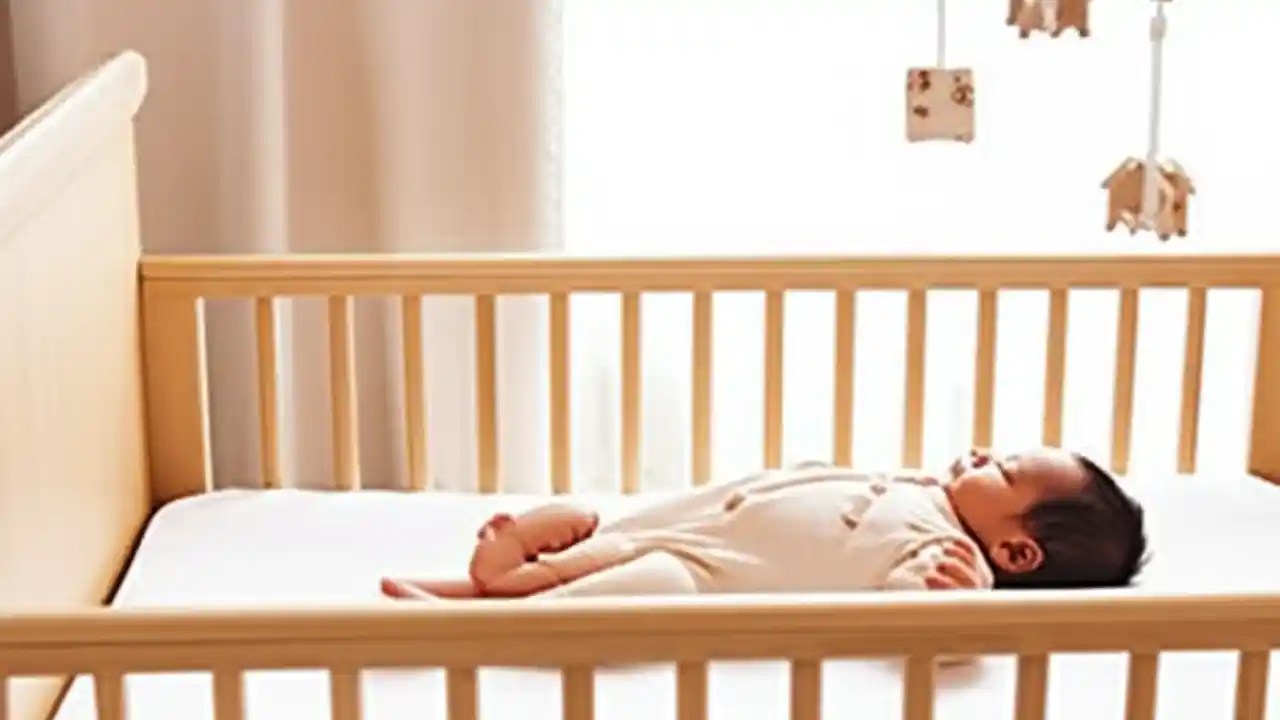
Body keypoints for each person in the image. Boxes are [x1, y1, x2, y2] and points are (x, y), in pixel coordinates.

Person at [381, 447, 1148, 601]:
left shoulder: (947, 553)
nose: (981, 453)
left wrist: (965, 598)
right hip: (701, 524)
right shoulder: (928, 489)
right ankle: (483, 585)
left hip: (712, 576)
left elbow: (916, 628)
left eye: (1004, 471)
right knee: (608, 538)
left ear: (1015, 550)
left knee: (637, 586)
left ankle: (509, 602)